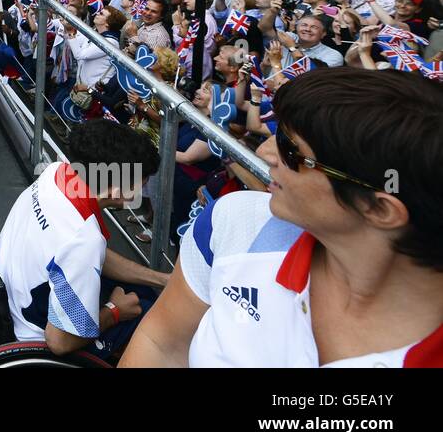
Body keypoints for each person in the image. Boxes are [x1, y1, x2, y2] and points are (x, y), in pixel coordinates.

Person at [122, 68, 443, 367]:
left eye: (292, 152)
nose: (263, 153)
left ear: (379, 209)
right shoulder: (238, 220)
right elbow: (161, 343)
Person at [0, 120, 170, 359]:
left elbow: (85, 255)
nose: (142, 192)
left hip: (7, 289)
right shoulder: (84, 239)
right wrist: (114, 311)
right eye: (141, 184)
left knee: (143, 289)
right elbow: (59, 342)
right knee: (149, 314)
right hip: (33, 332)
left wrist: (161, 279)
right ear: (116, 189)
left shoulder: (55, 172)